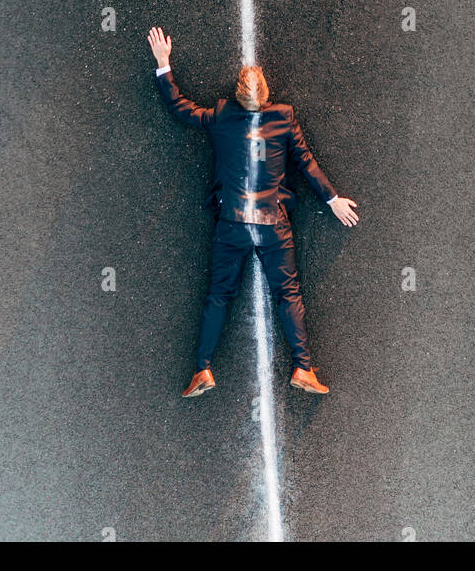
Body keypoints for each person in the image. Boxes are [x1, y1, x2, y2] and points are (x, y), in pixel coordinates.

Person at [147, 27, 358, 397]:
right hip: (271, 224)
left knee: (218, 295)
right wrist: (332, 199)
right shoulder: (284, 117)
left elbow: (182, 110)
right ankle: (303, 367)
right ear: (265, 94)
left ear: (238, 95)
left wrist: (164, 65)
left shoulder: (222, 116)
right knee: (287, 293)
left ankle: (202, 369)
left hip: (232, 224)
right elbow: (306, 163)